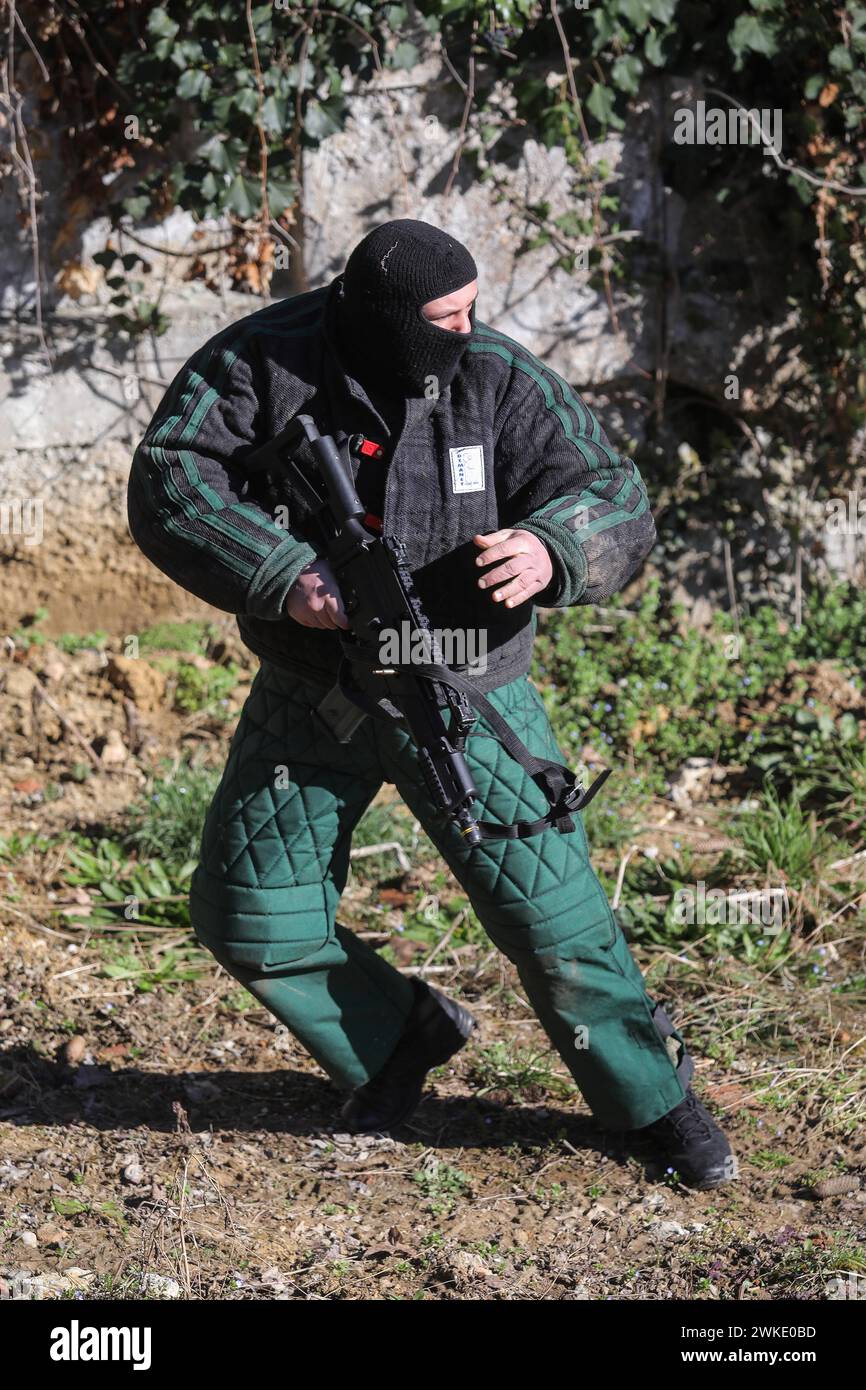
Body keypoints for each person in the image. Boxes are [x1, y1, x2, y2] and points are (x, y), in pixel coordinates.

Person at [127, 217, 735, 1189]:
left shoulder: (497, 375)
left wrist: (551, 548)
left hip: (462, 690)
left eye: (471, 309)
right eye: (446, 315)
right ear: (384, 319)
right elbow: (170, 478)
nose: (470, 327)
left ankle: (652, 1101)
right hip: (313, 687)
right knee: (251, 914)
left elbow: (612, 492)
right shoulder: (261, 359)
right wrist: (283, 573)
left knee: (552, 922)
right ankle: (393, 1039)